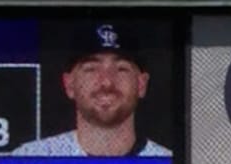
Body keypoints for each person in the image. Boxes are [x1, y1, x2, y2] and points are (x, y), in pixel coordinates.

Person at [14, 23, 171, 157]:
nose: (106, 82)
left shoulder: (167, 163)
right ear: (69, 84)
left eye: (121, 69)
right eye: (91, 69)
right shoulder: (32, 158)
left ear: (141, 84)